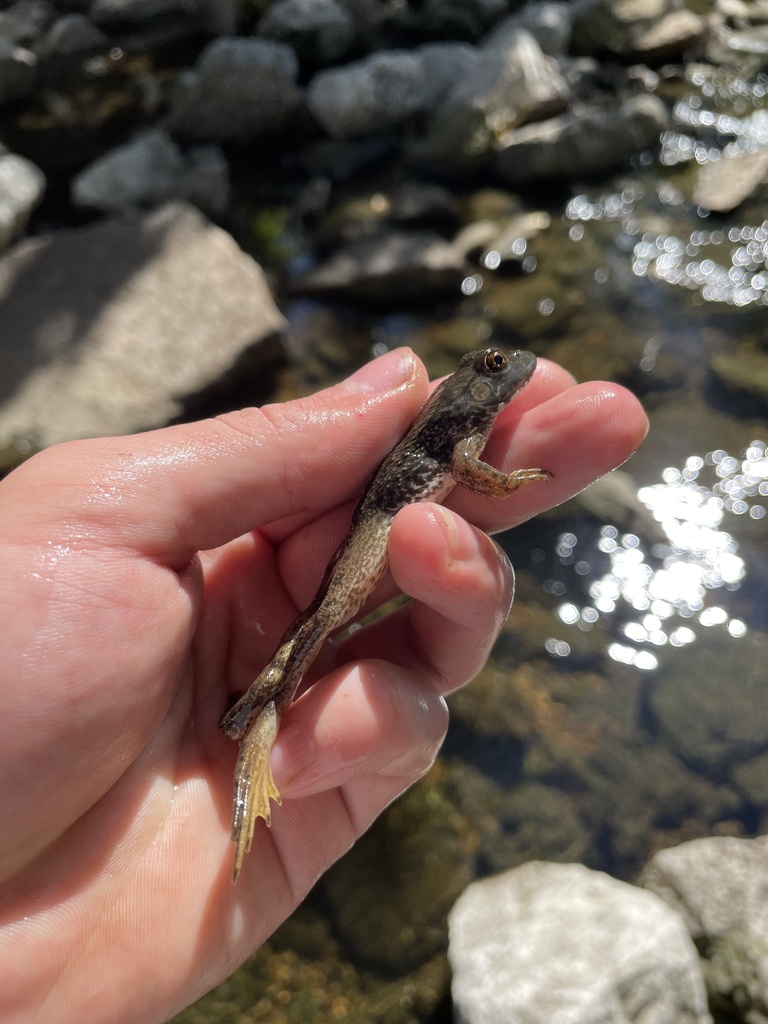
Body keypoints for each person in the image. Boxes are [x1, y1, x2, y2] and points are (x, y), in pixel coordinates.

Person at [0, 347, 647, 1022]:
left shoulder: (466, 425)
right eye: (488, 365)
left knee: (314, 630)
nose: (508, 369)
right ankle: (250, 713)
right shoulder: (455, 430)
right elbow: (471, 475)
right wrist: (510, 485)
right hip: (371, 530)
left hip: (376, 529)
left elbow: (469, 470)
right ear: (465, 387)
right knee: (319, 624)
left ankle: (251, 716)